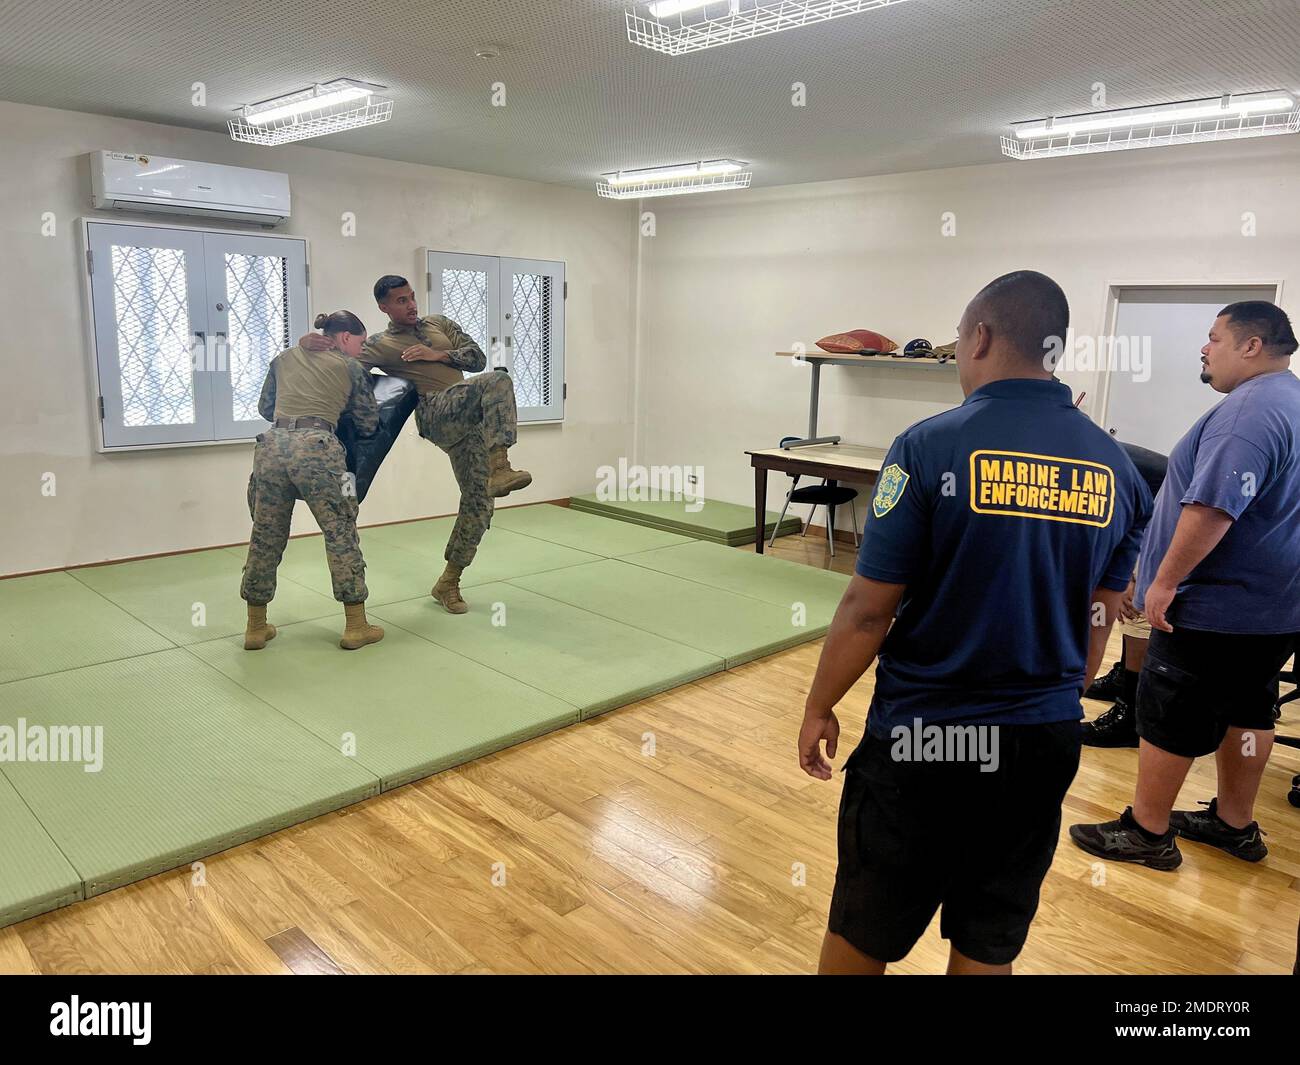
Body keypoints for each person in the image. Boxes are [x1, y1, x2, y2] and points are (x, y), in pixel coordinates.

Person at [799, 270, 1151, 975]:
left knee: (864, 930)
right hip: (1040, 741)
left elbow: (870, 609)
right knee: (988, 941)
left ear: (982, 335)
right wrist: (1054, 689)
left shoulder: (929, 446)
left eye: (961, 339)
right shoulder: (1119, 469)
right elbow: (1098, 625)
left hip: (927, 736)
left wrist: (818, 704)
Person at [1071, 302, 1300, 869]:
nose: (1204, 348)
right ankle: (1233, 824)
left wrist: (1163, 581)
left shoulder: (1248, 412)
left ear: (1251, 345)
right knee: (1251, 710)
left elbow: (1212, 507)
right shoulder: (1292, 400)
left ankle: (1148, 833)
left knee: (1169, 713)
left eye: (1213, 337)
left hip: (1215, 605)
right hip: (1274, 606)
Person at [301, 276, 530, 614]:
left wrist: (438, 355)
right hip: (436, 411)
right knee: (498, 380)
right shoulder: (380, 344)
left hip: (470, 419)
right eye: (400, 301)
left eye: (411, 297)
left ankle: (448, 582)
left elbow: (476, 358)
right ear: (384, 307)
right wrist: (313, 343)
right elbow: (343, 365)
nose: (410, 305)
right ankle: (501, 467)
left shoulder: (440, 324)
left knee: (480, 502)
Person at [242, 311, 384, 651]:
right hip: (318, 448)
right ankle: (355, 626)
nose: (362, 351)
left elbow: (266, 407)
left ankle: (256, 627)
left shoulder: (283, 358)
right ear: (346, 338)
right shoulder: (351, 368)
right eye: (361, 343)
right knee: (340, 530)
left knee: (265, 536)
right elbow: (367, 422)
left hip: (271, 447)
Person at [1082, 441, 1169, 748]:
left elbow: (1151, 525)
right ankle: (1123, 675)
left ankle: (1130, 713)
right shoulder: (1090, 454)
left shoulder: (1097, 467)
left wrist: (1134, 580)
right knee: (1122, 599)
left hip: (1169, 523)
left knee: (1136, 611)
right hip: (1153, 516)